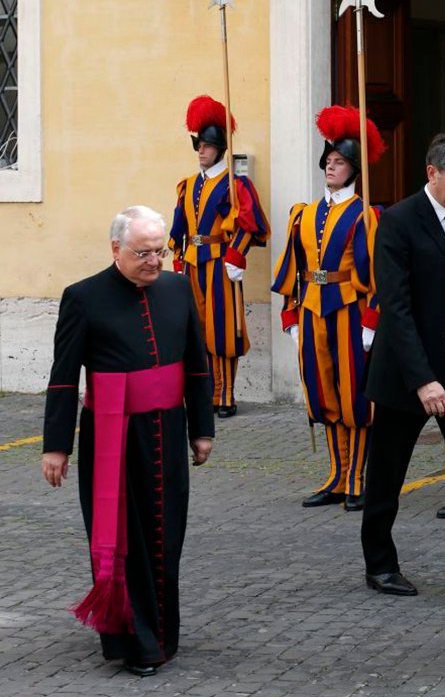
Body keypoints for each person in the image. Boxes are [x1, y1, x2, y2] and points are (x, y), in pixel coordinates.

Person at [41, 206, 214, 677]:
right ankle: (135, 642)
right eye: (144, 253)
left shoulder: (178, 288)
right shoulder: (83, 297)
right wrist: (56, 446)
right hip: (112, 438)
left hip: (168, 431)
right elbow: (62, 378)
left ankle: (161, 633)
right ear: (115, 248)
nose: (155, 261)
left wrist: (202, 428)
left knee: (167, 537)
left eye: (160, 251)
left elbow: (196, 362)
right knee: (125, 540)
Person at [360, 132, 445, 594]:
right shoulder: (397, 221)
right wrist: (423, 380)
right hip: (406, 375)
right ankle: (379, 563)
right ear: (432, 174)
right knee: (386, 478)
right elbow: (395, 308)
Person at [271, 106, 382, 511]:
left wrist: (371, 323)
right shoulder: (303, 214)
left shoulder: (365, 215)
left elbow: (376, 274)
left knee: (353, 395)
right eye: (329, 162)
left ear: (355, 169)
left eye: (340, 162)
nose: (332, 168)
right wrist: (290, 316)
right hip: (312, 310)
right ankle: (337, 475)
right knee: (321, 393)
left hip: (349, 312)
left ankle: (357, 479)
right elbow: (292, 268)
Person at [168, 95, 270, 418]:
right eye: (198, 144)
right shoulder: (187, 185)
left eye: (207, 145)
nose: (201, 150)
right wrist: (177, 257)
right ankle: (201, 392)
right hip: (192, 264)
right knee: (194, 331)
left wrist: (236, 255)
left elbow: (250, 224)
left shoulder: (234, 185)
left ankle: (224, 393)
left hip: (219, 264)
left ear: (221, 149)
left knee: (223, 330)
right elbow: (178, 226)